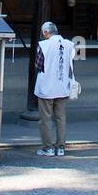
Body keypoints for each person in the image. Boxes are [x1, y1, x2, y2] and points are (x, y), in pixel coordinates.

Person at [33, 21, 76, 157]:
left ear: (46, 32)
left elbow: (38, 64)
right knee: (60, 118)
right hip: (62, 86)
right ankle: (61, 147)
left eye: (43, 32)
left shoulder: (43, 45)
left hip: (47, 86)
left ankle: (48, 147)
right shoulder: (69, 44)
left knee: (45, 119)